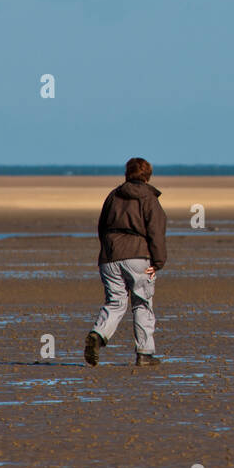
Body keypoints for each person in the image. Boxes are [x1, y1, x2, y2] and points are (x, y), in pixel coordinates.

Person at [85, 157, 167, 368]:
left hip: (109, 257)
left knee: (115, 302)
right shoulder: (149, 198)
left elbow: (101, 227)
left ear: (127, 174)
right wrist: (158, 262)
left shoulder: (113, 196)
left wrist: (108, 250)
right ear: (148, 176)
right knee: (142, 303)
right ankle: (145, 354)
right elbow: (156, 232)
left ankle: (98, 333)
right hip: (138, 257)